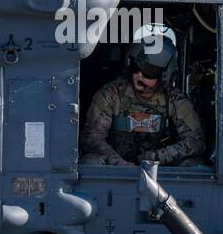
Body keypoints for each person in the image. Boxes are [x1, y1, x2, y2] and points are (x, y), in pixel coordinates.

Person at [81, 37, 205, 166]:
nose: (139, 75)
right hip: (116, 170)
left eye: (149, 71)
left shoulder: (175, 100)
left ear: (164, 75)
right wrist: (119, 163)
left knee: (194, 165)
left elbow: (196, 142)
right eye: (135, 67)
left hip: (163, 170)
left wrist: (156, 158)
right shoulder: (111, 94)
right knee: (91, 161)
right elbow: (92, 138)